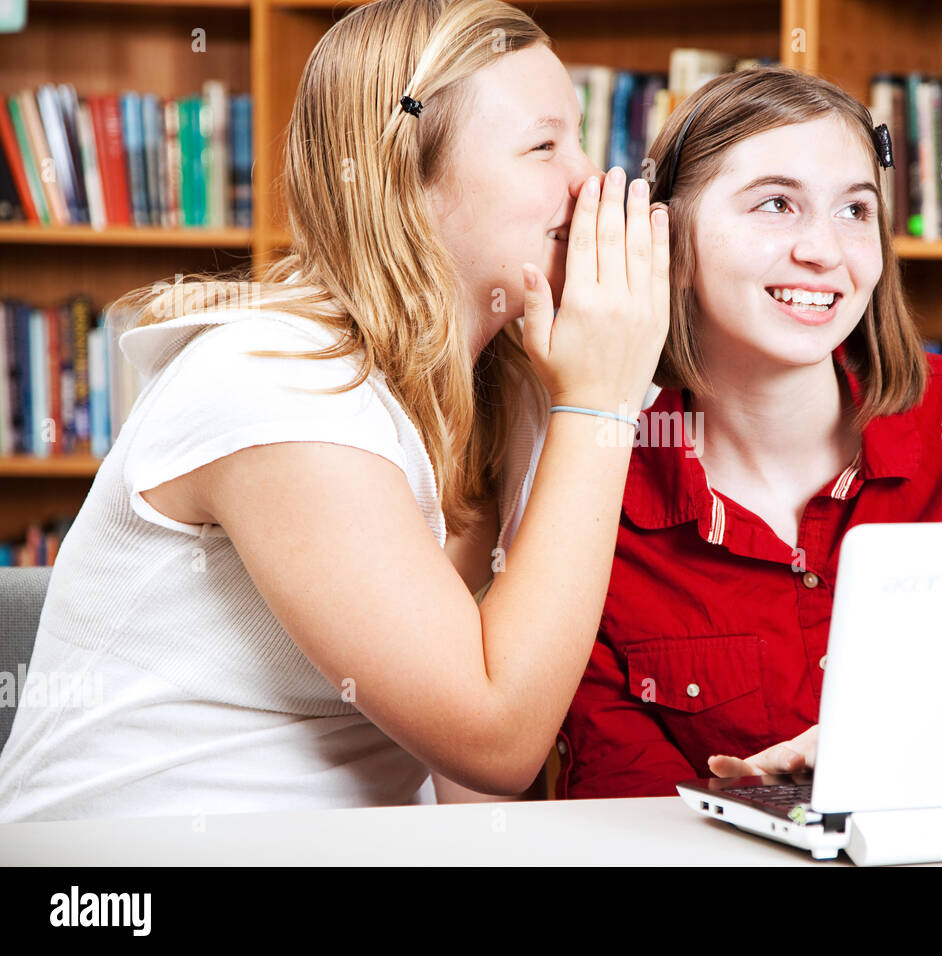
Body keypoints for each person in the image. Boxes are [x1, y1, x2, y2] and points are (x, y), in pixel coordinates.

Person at [0, 0, 668, 821]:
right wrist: (600, 406)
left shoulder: (514, 379)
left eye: (583, 141)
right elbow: (495, 738)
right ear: (405, 184)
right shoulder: (275, 382)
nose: (592, 183)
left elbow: (465, 785)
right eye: (544, 146)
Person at [556, 67, 942, 799]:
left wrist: (898, 758)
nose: (826, 251)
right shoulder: (592, 499)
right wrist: (753, 802)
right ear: (668, 242)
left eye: (855, 210)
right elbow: (621, 807)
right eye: (777, 204)